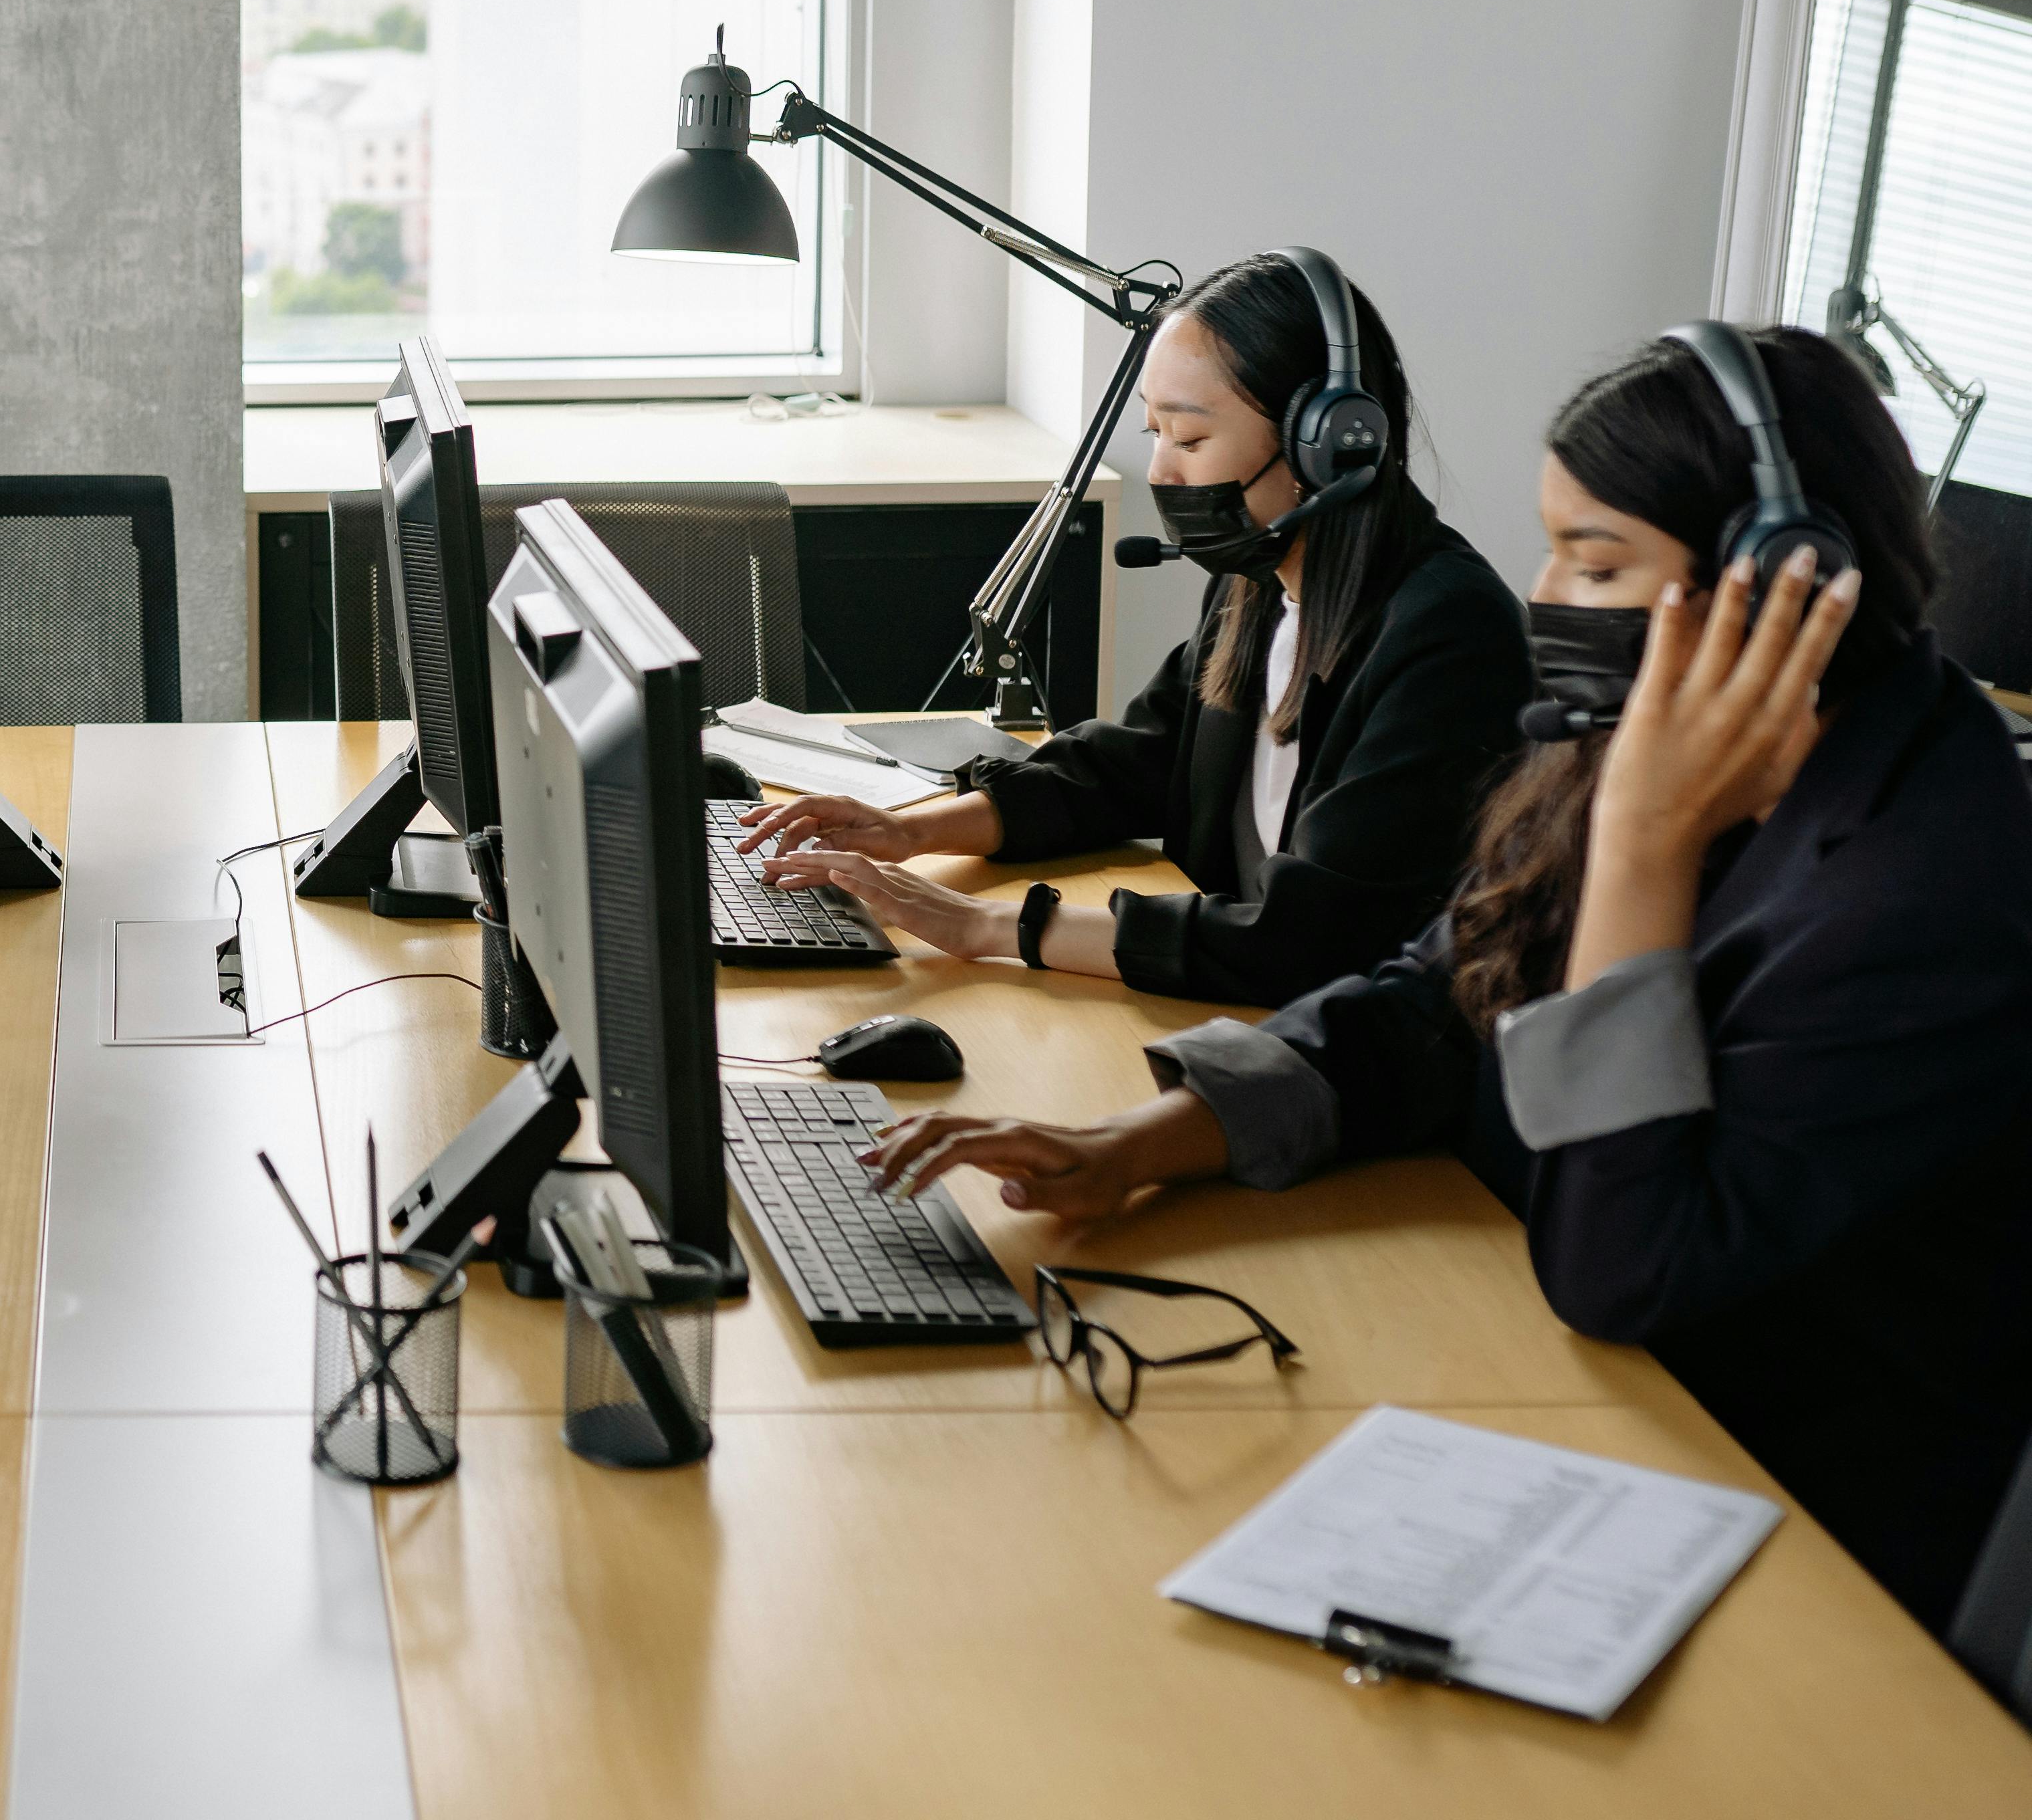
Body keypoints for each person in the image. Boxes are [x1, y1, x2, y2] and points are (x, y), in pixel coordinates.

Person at [869, 327, 2032, 1631]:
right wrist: (1145, 1139)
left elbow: (1621, 1263)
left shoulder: (1930, 897)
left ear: (1781, 580)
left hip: (1799, 1547)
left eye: (1596, 559)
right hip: (1585, 1411)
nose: (1547, 594)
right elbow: (1440, 994)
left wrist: (1643, 857)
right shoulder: (1662, 740)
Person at [741, 249, 1533, 1006]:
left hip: (1338, 1072)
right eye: (1156, 433)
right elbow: (1134, 765)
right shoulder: (1257, 583)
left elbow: (1308, 937)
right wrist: (909, 833)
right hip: (1233, 1017)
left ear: (1324, 447)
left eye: (1189, 437)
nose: (1161, 472)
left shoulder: (1448, 640)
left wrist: (985, 925)